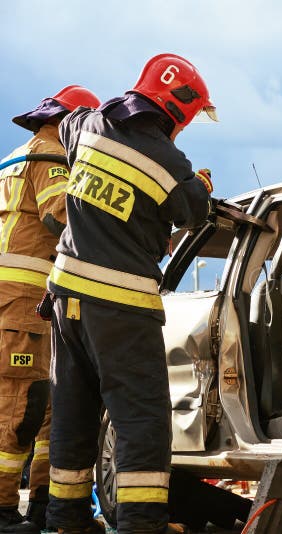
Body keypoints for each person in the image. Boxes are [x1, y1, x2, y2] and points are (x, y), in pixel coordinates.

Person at [46, 54, 216, 534]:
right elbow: (193, 212)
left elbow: (67, 130)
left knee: (74, 412)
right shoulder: (166, 159)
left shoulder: (87, 125)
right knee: (140, 416)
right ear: (178, 110)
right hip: (121, 303)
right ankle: (142, 524)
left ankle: (67, 521)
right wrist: (199, 184)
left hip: (65, 299)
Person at [0, 85, 100, 534]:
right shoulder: (50, 156)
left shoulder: (17, 156)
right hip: (22, 302)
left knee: (46, 407)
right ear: (68, 122)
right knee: (20, 405)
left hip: (25, 303)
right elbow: (61, 216)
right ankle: (3, 510)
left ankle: (42, 503)